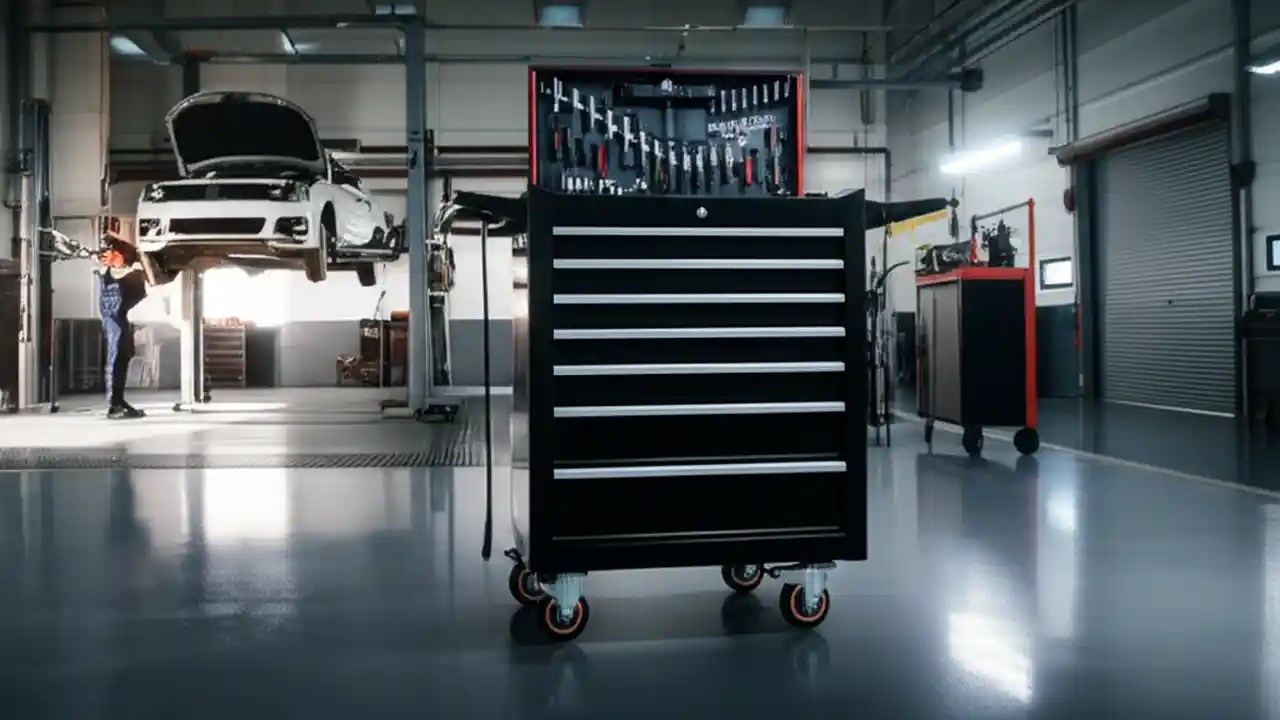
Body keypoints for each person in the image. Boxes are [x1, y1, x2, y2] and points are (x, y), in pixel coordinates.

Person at [97, 236, 147, 419]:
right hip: (115, 322)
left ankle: (118, 400)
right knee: (116, 356)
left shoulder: (126, 272)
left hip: (120, 320)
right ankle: (114, 404)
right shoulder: (112, 275)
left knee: (123, 355)